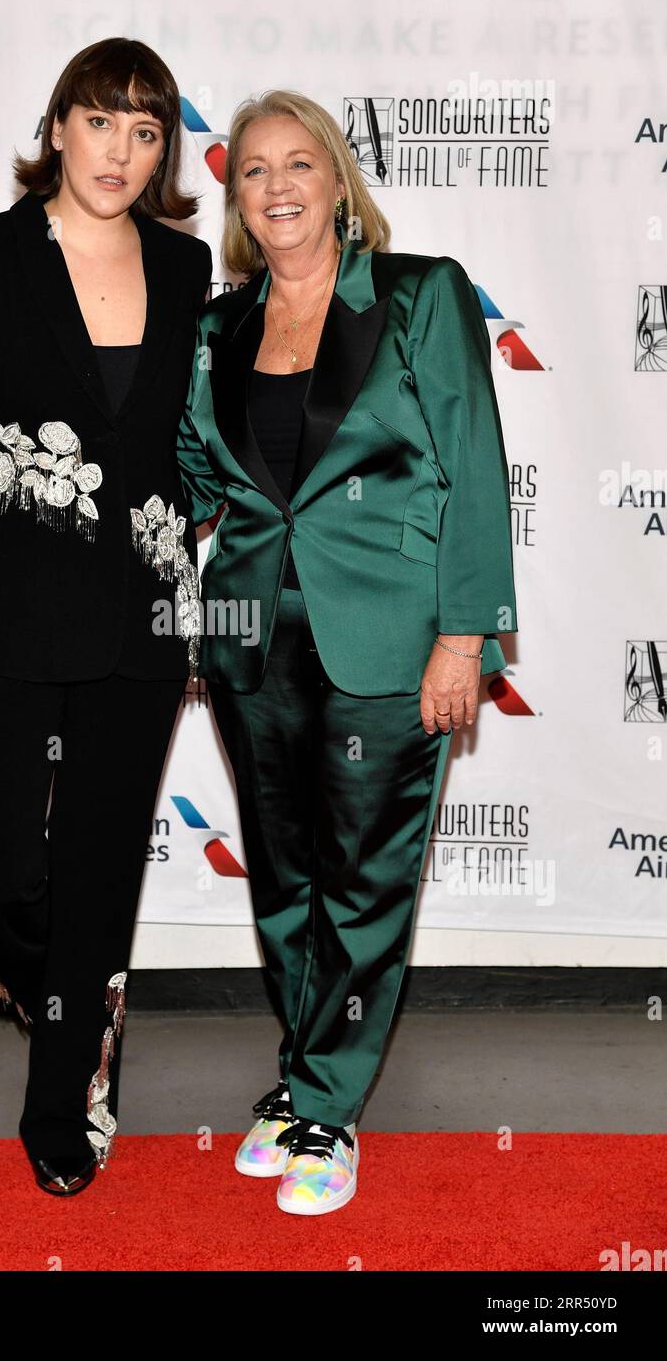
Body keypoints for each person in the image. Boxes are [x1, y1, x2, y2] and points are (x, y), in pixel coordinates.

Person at [176, 89, 518, 1216]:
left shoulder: (419, 295)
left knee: (365, 880)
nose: (276, 187)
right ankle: (303, 1072)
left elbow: (471, 465)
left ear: (337, 184)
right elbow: (184, 479)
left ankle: (325, 1105)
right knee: (284, 875)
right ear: (237, 200)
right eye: (253, 172)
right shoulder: (219, 328)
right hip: (248, 642)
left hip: (387, 639)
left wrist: (462, 637)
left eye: (298, 165)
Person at [0, 37, 211, 1197]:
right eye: (101, 122)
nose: (121, 152)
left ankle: (62, 1103)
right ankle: (80, 1007)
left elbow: (190, 450)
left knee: (97, 873)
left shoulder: (186, 274)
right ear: (57, 126)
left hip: (140, 621)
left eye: (147, 133)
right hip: (4, 620)